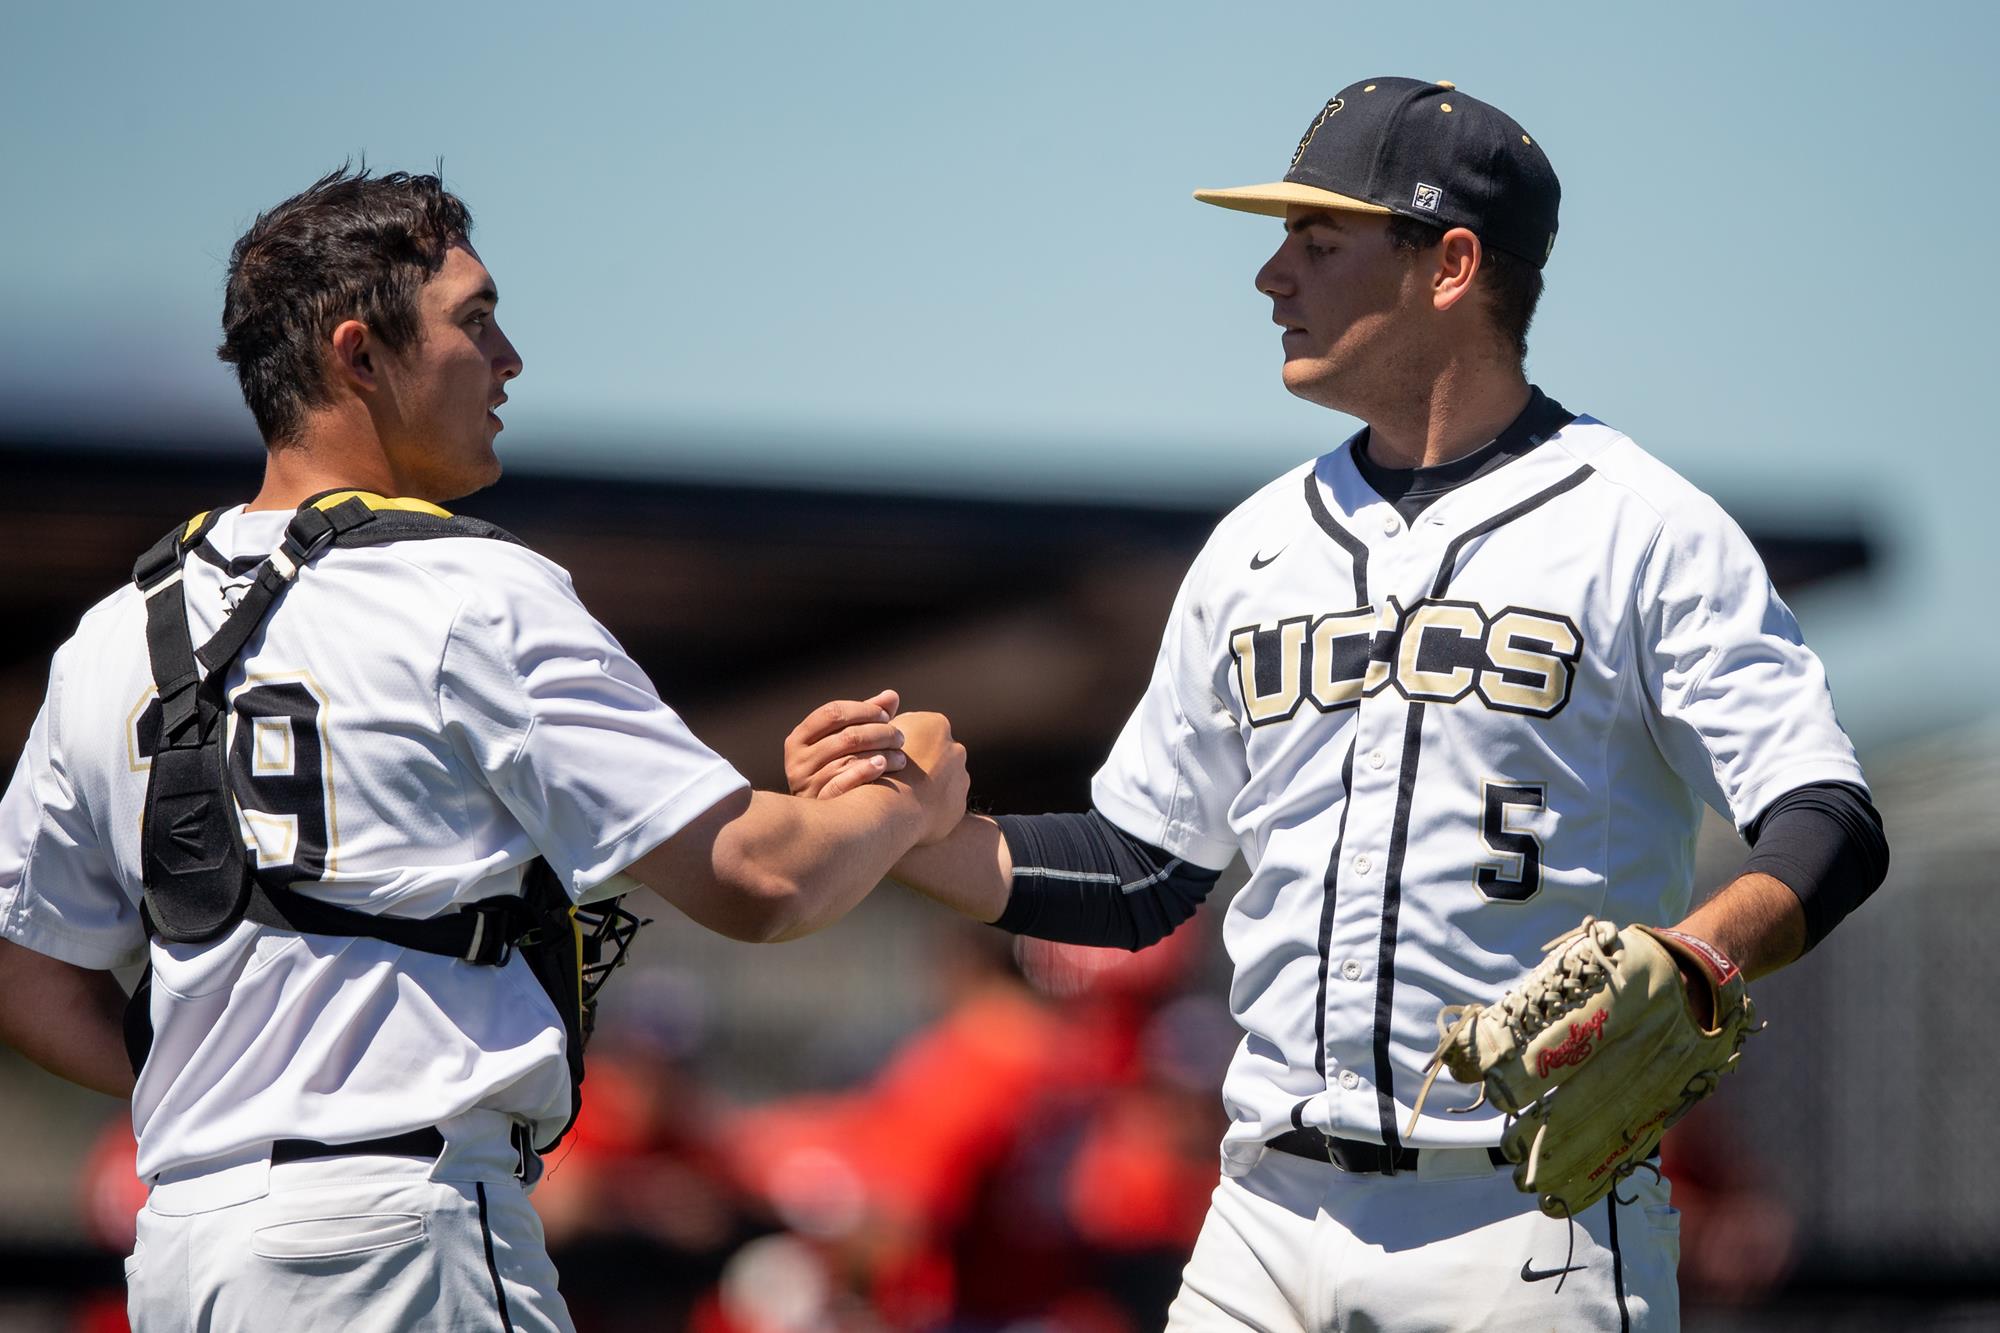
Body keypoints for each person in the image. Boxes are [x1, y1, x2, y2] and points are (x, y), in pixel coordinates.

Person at [787, 78, 1889, 1330]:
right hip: (1263, 1208)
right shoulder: (1257, 545)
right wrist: (904, 837)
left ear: (1450, 264)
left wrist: (1700, 951)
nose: (1270, 276)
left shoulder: (1641, 528)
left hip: (1527, 1214)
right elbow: (1141, 869)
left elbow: (1826, 818)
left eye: (1317, 243)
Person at [0, 166, 967, 1333]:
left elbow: (28, 971)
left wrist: (225, 1082)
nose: (508, 358)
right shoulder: (467, 588)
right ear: (359, 355)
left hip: (187, 1248)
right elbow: (762, 879)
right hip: (399, 1235)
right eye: (475, 319)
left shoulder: (110, 636)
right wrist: (906, 792)